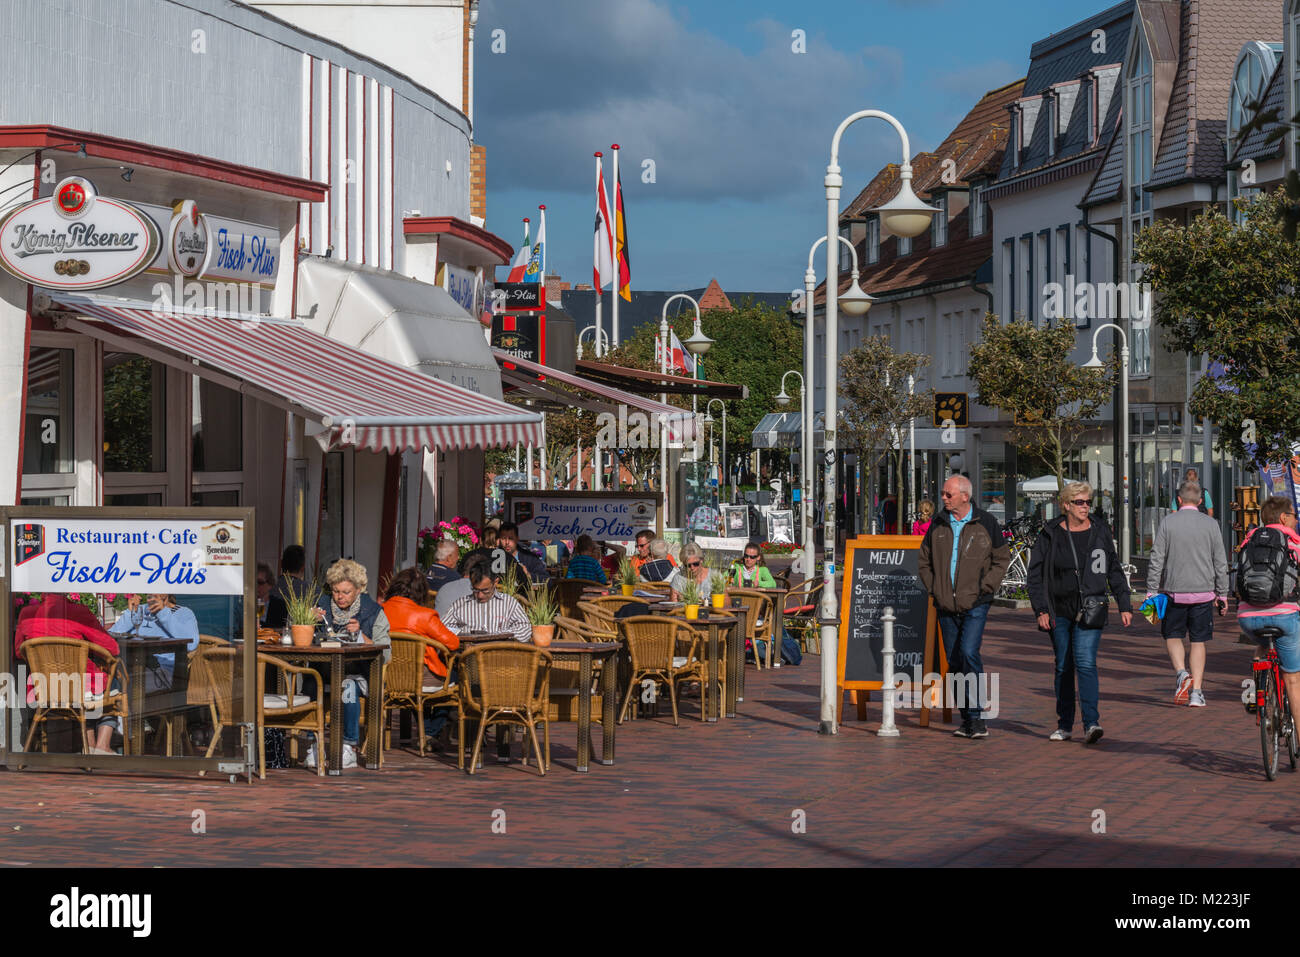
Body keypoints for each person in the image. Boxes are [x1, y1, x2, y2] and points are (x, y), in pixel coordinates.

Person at [1027, 481, 1133, 745]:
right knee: (1064, 665)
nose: (1085, 507)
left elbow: (1114, 568)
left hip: (1091, 608)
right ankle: (1064, 725)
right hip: (1059, 610)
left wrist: (1124, 603)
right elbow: (1035, 575)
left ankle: (1091, 723)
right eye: (1080, 502)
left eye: (1088, 502)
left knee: (1085, 662)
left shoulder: (1099, 531)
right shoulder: (1051, 533)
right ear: (1066, 505)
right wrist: (1040, 609)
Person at [918, 474, 1010, 739]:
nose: (943, 498)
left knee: (969, 652)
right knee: (955, 661)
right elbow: (924, 561)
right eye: (944, 494)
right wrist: (935, 588)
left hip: (976, 601)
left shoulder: (986, 523)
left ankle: (977, 717)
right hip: (946, 603)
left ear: (964, 496)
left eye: (948, 494)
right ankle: (966, 718)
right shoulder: (938, 523)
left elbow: (1001, 559)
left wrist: (987, 586)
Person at [1146, 479, 1228, 707]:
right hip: (1204, 593)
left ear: (1178, 500)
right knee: (1199, 641)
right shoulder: (1211, 525)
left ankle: (1182, 672)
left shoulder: (1168, 522)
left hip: (1174, 591)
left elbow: (1156, 559)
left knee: (1172, 635)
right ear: (1201, 501)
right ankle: (1197, 693)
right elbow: (1220, 562)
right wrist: (1222, 594)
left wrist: (1152, 590)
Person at [14, 594, 121, 754]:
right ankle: (102, 746)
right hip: (82, 689)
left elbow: (18, 652)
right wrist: (84, 645)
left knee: (89, 691)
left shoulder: (26, 614)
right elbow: (112, 648)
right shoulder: (78, 612)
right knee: (113, 681)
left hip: (45, 690)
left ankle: (89, 746)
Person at [312, 559, 391, 769]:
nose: (340, 597)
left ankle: (348, 746)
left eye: (346, 592)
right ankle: (314, 742)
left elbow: (386, 652)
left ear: (358, 589)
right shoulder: (322, 606)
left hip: (361, 674)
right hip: (326, 670)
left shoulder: (372, 611)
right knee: (309, 683)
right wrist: (308, 621)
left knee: (347, 686)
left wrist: (361, 636)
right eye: (336, 591)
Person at [1237, 496, 1300, 730]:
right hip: (1283, 616)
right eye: (1294, 515)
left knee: (1263, 643)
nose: (1296, 520)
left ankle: (1257, 686)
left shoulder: (1249, 540)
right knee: (1293, 679)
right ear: (1284, 517)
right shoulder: (1293, 541)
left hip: (1248, 619)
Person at [382, 567, 460, 747]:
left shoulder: (380, 610)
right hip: (420, 676)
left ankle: (428, 732)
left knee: (415, 690)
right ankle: (429, 733)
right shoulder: (425, 615)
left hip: (389, 676)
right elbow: (453, 643)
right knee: (455, 679)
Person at [110, 594, 200, 692]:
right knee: (99, 678)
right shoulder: (140, 608)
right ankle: (99, 705)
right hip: (128, 669)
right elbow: (110, 636)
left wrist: (163, 612)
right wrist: (130, 613)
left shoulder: (183, 613)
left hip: (161, 672)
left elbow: (192, 644)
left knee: (122, 685)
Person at [442, 566, 531, 642]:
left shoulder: (508, 603)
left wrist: (501, 637)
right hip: (469, 656)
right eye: (475, 590)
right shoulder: (460, 604)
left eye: (485, 590)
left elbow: (525, 627)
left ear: (495, 582)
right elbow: (442, 628)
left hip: (501, 655)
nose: (480, 595)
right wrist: (462, 635)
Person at [256, 562, 288, 629]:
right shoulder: (243, 604)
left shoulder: (279, 606)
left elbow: (283, 628)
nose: (256, 585)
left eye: (260, 582)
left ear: (270, 584)